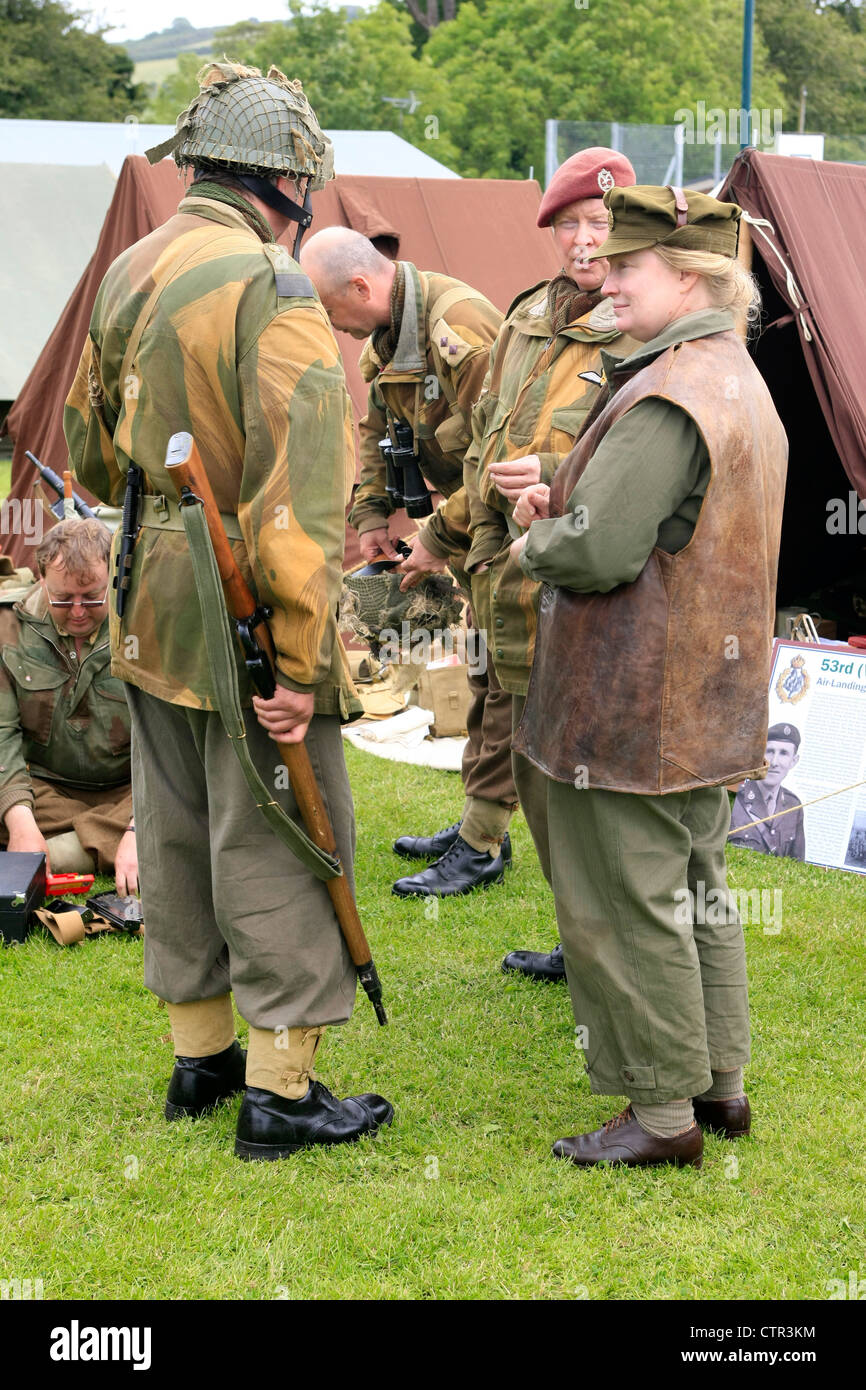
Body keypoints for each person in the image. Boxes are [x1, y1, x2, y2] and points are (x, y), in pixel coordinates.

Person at [64, 62, 392, 1161]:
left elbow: (84, 453)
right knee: (281, 835)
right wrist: (298, 662)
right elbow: (296, 500)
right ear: (289, 181)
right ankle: (280, 1093)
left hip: (145, 595)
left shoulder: (128, 268)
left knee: (177, 826)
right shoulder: (273, 283)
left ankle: (199, 1056)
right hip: (243, 599)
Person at [511, 185, 788, 1167]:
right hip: (702, 699)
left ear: (690, 278)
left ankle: (659, 1117)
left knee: (623, 905)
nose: (605, 278)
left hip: (626, 705)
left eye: (626, 267)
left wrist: (533, 528)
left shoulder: (666, 391)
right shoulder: (735, 379)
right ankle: (720, 1089)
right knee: (698, 891)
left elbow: (594, 554)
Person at [301, 227, 518, 898]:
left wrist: (436, 537)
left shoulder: (457, 327)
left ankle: (481, 845)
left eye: (333, 311)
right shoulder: (387, 338)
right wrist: (371, 519)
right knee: (483, 678)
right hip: (467, 528)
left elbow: (501, 452)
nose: (335, 328)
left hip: (506, 527)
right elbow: (375, 433)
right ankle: (481, 826)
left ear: (362, 288)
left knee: (506, 681)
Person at [464, 147, 638, 978]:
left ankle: (605, 946)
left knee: (583, 776)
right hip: (511, 576)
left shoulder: (642, 326)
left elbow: (642, 469)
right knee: (538, 775)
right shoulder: (529, 313)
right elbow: (483, 438)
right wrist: (453, 539)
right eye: (568, 224)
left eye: (599, 224)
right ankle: (581, 940)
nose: (582, 240)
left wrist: (560, 484)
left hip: (586, 585)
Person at [0, 518, 138, 893]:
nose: (78, 611)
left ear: (113, 577)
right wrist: (21, 822)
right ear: (42, 579)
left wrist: (139, 828)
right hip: (43, 791)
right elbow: (2, 736)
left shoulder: (146, 624)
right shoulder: (9, 626)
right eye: (62, 599)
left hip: (130, 793)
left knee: (197, 810)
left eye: (92, 597)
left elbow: (172, 746)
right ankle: (82, 846)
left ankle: (57, 853)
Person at [729, 723, 805, 859]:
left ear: (793, 761)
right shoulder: (734, 796)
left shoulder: (793, 806)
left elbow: (797, 866)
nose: (774, 762)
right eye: (770, 751)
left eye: (783, 753)